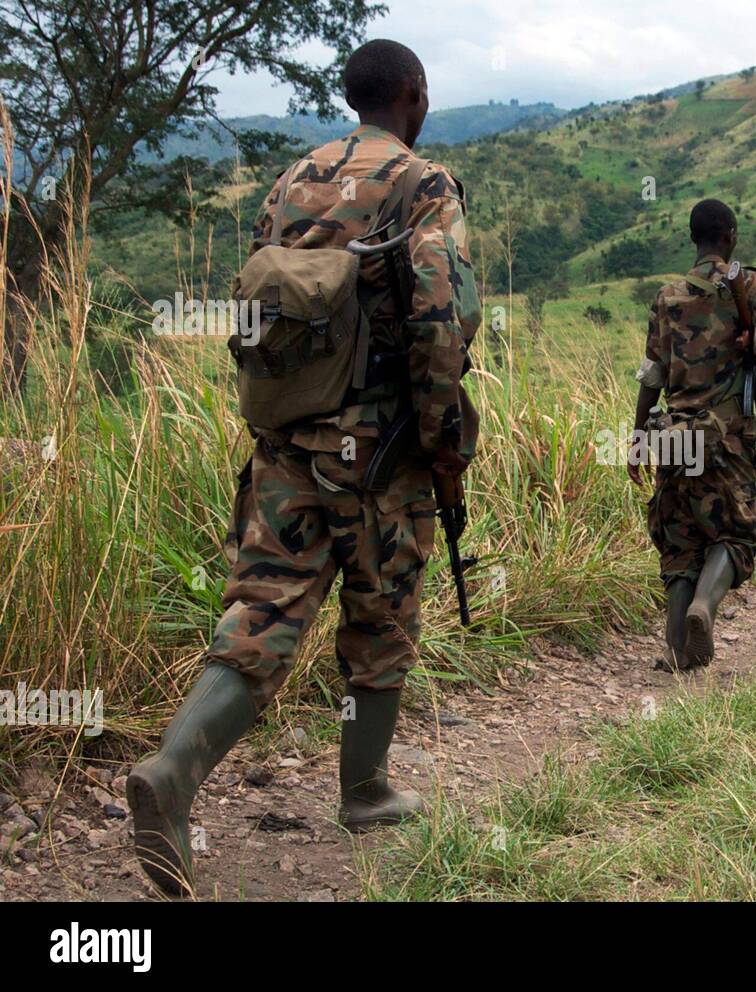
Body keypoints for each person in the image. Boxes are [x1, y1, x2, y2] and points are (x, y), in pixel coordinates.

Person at [127, 39, 481, 896]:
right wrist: (445, 444)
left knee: (263, 608)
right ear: (413, 96)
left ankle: (173, 771)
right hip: (379, 452)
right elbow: (441, 322)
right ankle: (364, 791)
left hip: (285, 444)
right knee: (381, 618)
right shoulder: (423, 184)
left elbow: (257, 314)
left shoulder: (291, 182)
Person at [627, 199, 756, 671]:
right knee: (735, 535)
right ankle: (704, 608)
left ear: (693, 239)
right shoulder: (751, 286)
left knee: (679, 542)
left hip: (672, 437)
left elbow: (650, 378)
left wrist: (637, 441)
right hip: (728, 439)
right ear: (730, 236)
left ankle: (677, 649)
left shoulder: (666, 297)